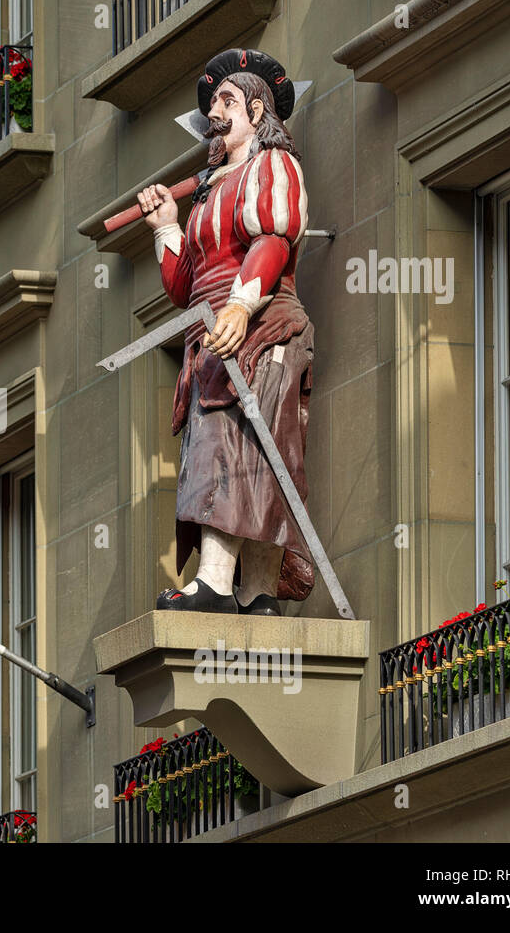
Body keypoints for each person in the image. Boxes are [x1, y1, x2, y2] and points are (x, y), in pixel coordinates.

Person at [138, 49, 315, 616]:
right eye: (212, 102)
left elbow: (273, 240)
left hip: (264, 325)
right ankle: (257, 595)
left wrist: (241, 306)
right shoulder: (211, 191)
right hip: (213, 333)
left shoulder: (272, 167)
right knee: (247, 451)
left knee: (239, 445)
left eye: (226, 100)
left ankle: (218, 584)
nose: (214, 111)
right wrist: (167, 227)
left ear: (256, 109)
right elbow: (185, 286)